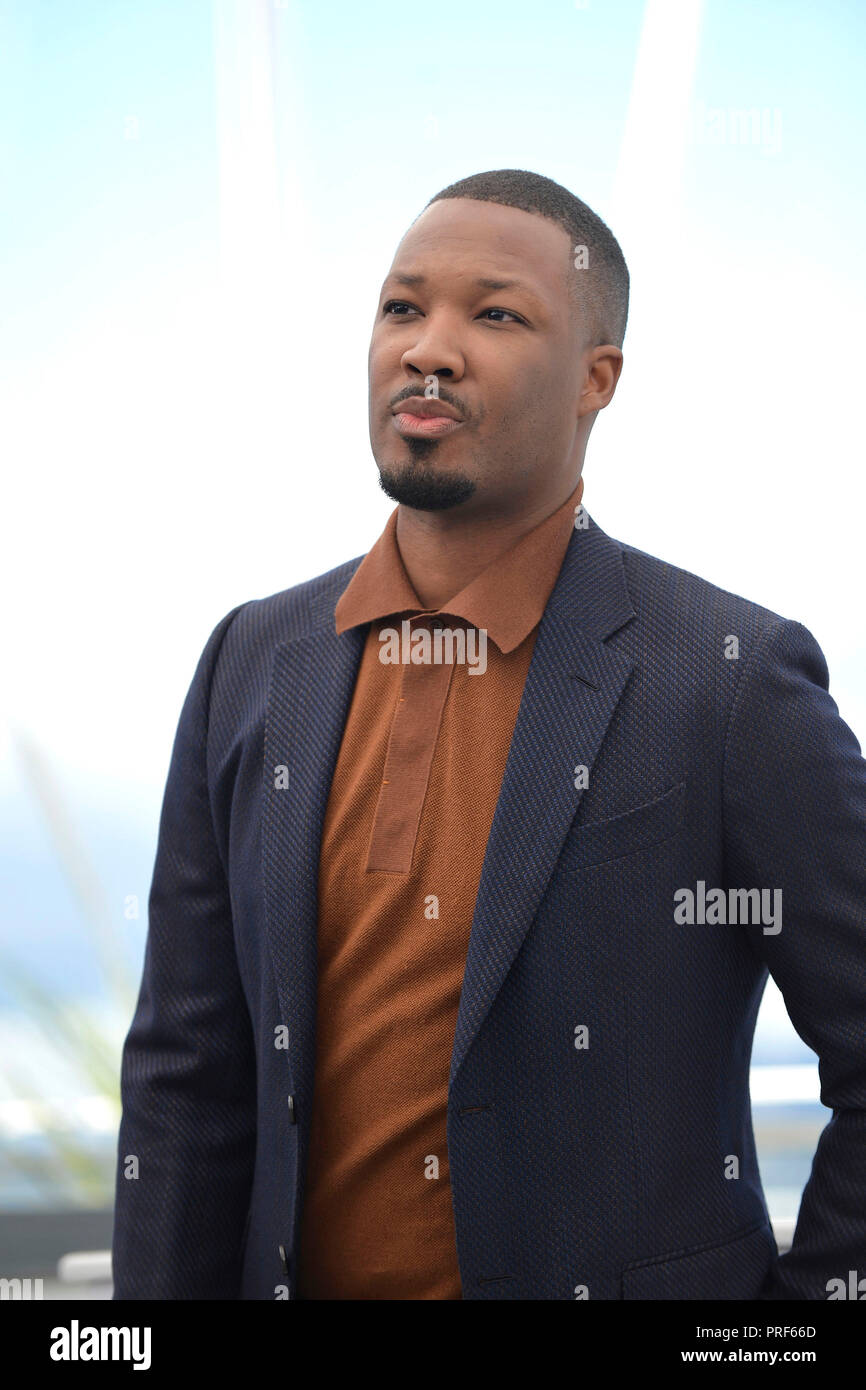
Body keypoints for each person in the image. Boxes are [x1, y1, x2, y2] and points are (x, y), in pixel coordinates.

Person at [112, 169, 866, 1300]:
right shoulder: (253, 662)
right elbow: (185, 1076)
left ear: (594, 379)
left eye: (495, 314)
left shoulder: (728, 680)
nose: (429, 349)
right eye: (401, 307)